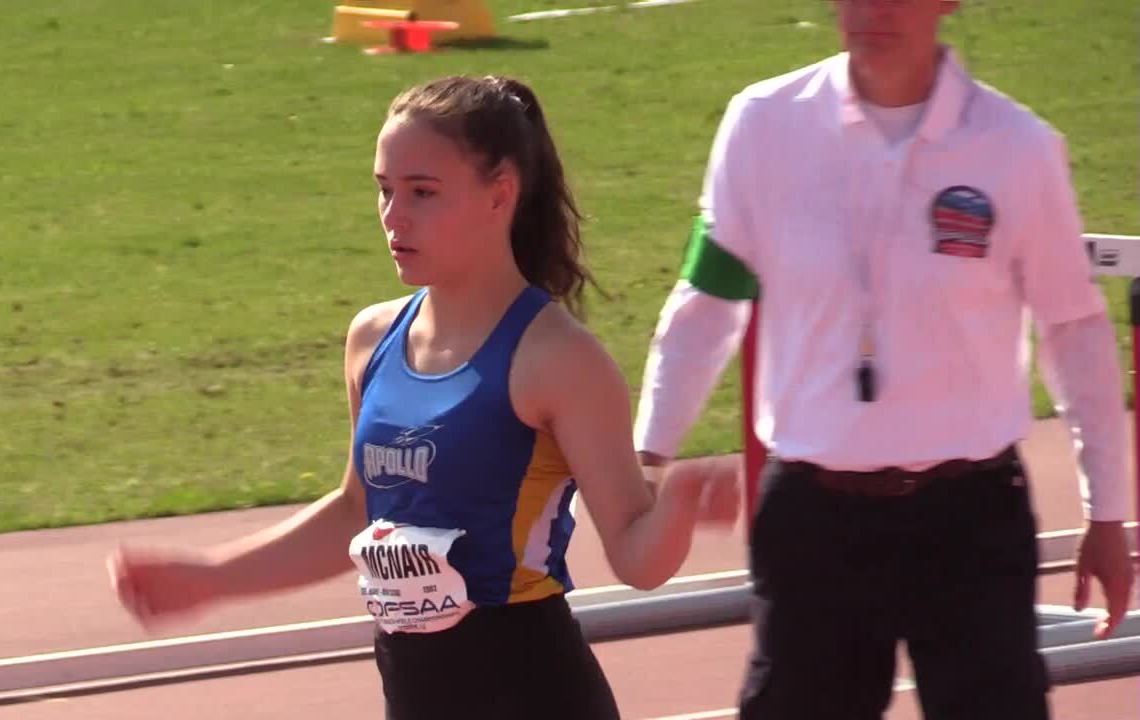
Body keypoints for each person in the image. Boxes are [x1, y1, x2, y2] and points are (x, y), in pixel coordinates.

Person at [107, 74, 738, 720]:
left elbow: (636, 557)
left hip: (531, 694)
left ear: (500, 194)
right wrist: (210, 578)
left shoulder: (557, 359)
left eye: (423, 192)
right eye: (385, 189)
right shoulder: (372, 339)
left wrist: (681, 504)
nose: (394, 216)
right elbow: (355, 511)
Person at [632, 2, 1135, 719]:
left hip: (971, 523)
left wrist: (1107, 514)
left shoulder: (1017, 147)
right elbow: (707, 301)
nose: (872, 7)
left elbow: (1074, 330)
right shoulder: (763, 124)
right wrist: (648, 459)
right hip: (813, 521)